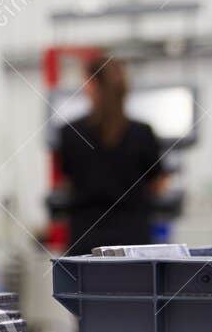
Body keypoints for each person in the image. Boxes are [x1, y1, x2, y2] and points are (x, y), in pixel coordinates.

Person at [56, 55, 169, 255]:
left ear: (91, 86)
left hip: (85, 241)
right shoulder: (142, 133)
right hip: (133, 244)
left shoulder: (69, 133)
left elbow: (67, 182)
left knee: (85, 287)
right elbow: (158, 185)